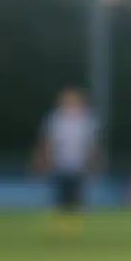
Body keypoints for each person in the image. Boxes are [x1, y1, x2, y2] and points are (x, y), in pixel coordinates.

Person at [31, 87, 98, 231]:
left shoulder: (87, 119)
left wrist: (93, 163)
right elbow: (48, 141)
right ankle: (60, 228)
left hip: (79, 166)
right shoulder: (55, 118)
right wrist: (43, 159)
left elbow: (91, 144)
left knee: (77, 199)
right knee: (60, 199)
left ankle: (75, 229)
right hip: (59, 165)